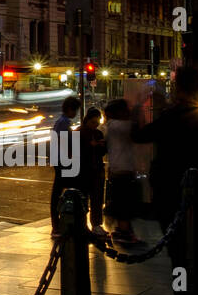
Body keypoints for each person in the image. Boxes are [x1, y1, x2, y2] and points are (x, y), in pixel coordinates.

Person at [133, 65, 198, 295]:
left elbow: (141, 135)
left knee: (178, 255)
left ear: (177, 88)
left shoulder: (173, 115)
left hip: (169, 192)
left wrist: (138, 108)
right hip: (192, 192)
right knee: (192, 252)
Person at [103, 99, 141, 244]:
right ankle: (124, 231)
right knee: (124, 201)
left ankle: (122, 228)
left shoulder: (111, 125)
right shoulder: (119, 125)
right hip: (123, 169)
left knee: (120, 199)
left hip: (116, 168)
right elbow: (136, 131)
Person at [50, 96, 82, 235]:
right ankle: (57, 224)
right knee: (61, 192)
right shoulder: (63, 123)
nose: (75, 113)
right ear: (70, 109)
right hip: (63, 161)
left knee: (59, 191)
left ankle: (59, 223)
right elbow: (67, 142)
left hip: (59, 160)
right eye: (75, 110)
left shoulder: (61, 122)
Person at [79, 108, 108, 237]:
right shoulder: (80, 133)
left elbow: (102, 152)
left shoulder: (98, 133)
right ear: (87, 120)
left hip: (96, 169)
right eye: (93, 122)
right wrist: (91, 146)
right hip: (84, 170)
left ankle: (96, 224)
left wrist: (101, 146)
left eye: (97, 122)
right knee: (84, 199)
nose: (95, 125)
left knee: (97, 199)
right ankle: (83, 224)